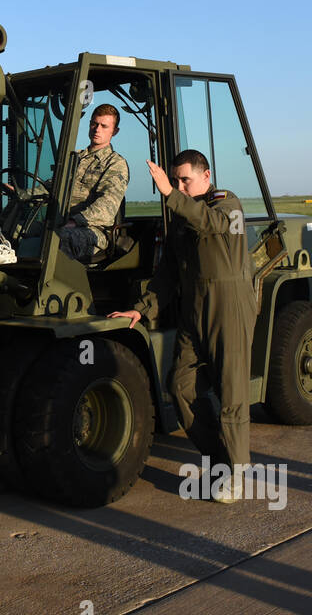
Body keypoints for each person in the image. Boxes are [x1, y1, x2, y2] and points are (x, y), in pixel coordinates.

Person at [108, 148, 255, 502]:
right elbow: (168, 274)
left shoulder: (227, 205)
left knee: (232, 394)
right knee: (181, 386)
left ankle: (237, 475)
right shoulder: (181, 218)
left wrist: (172, 196)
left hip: (229, 307)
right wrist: (141, 310)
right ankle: (220, 460)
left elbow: (212, 223)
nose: (179, 186)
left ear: (206, 176)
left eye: (185, 180)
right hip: (194, 310)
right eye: (175, 181)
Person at [57, 104, 129, 262]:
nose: (97, 129)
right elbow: (53, 186)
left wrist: (75, 220)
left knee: (57, 238)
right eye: (94, 124)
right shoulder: (74, 158)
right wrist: (23, 193)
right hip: (63, 221)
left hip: (94, 230)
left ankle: (57, 284)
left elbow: (106, 206)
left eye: (104, 126)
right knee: (15, 230)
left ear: (114, 131)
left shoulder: (115, 164)